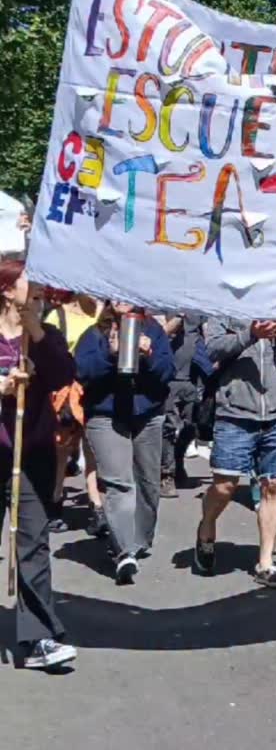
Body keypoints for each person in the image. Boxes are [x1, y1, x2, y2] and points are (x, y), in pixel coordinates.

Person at [197, 318, 276, 588]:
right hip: (235, 412)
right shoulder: (225, 304)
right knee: (225, 486)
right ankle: (206, 528)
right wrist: (249, 334)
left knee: (272, 486)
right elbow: (212, 349)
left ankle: (265, 563)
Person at [0, 261, 77, 670]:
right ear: (8, 289)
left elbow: (64, 373)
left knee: (32, 544)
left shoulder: (45, 336)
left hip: (32, 455)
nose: (41, 292)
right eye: (32, 285)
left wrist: (34, 330)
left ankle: (39, 638)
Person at [75, 303, 175, 584]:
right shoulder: (96, 333)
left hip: (147, 414)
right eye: (114, 295)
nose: (120, 299)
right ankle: (123, 551)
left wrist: (149, 354)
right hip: (106, 415)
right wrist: (110, 353)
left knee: (148, 482)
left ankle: (139, 540)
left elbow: (167, 372)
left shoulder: (153, 330)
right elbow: (82, 371)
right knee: (119, 482)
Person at [44, 292, 106, 536]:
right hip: (66, 393)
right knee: (62, 451)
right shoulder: (57, 316)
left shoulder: (102, 313)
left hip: (93, 391)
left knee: (93, 451)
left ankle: (96, 507)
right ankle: (56, 500)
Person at [159, 312, 213, 497]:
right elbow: (160, 333)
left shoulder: (196, 305)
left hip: (193, 375)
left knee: (193, 426)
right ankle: (166, 475)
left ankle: (178, 461)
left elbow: (206, 332)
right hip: (169, 377)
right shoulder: (164, 301)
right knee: (168, 428)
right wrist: (179, 316)